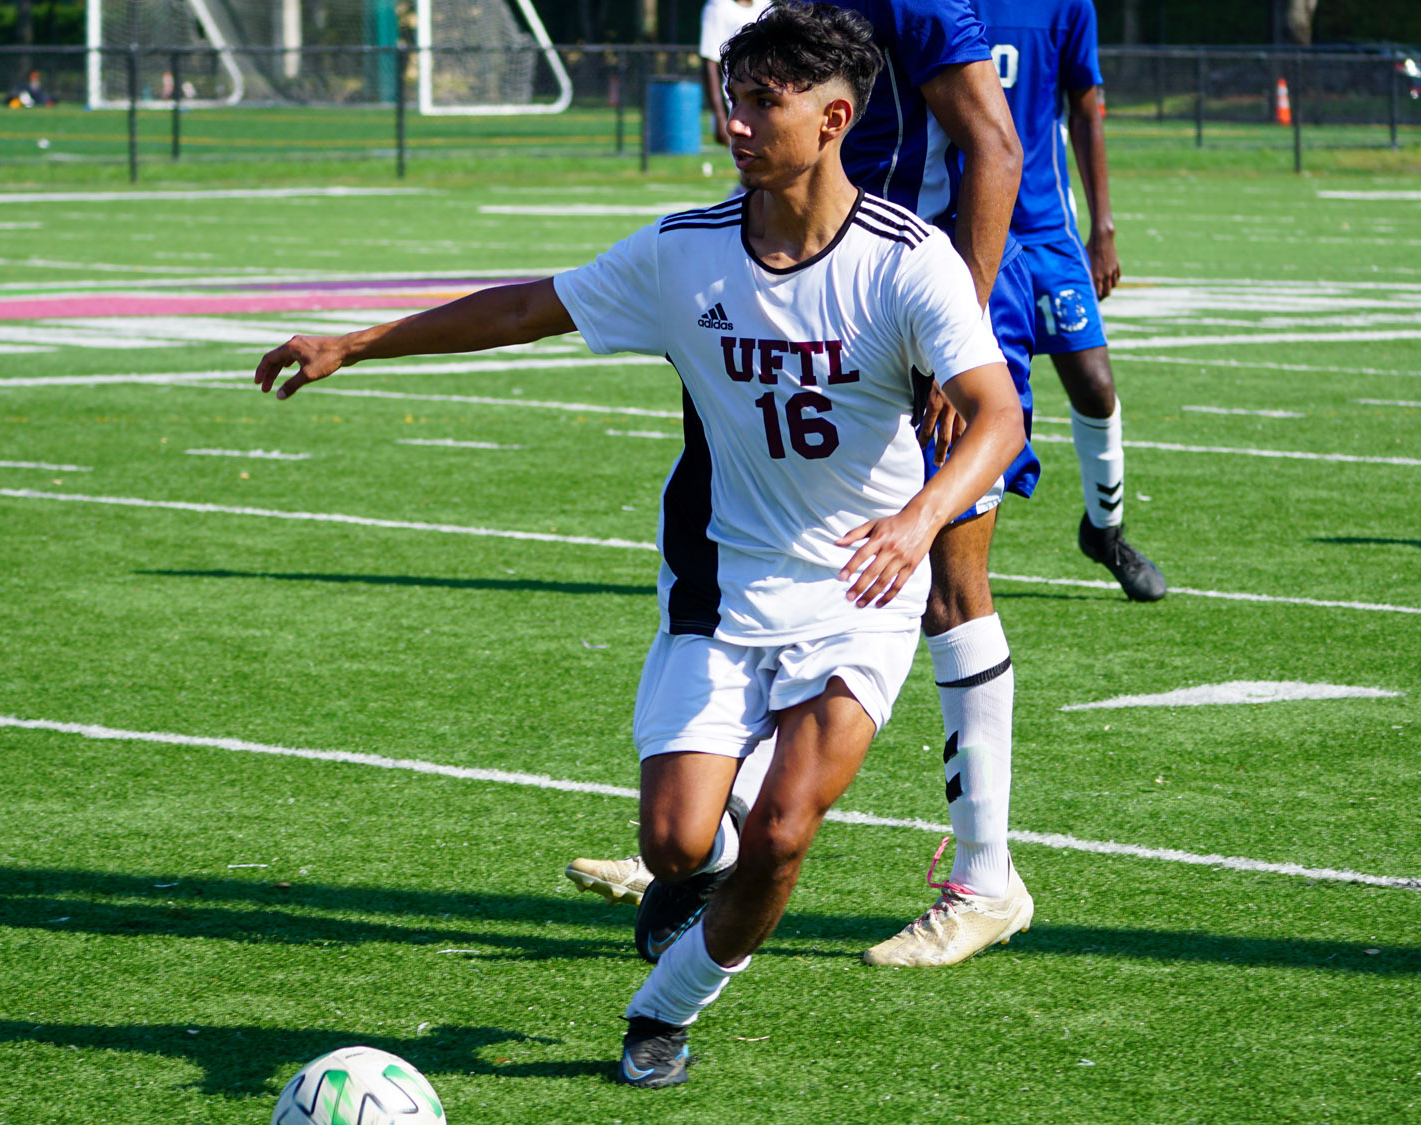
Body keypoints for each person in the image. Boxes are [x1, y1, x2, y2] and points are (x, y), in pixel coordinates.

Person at [256, 3, 1024, 1087]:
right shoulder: (684, 252)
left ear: (835, 117)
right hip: (720, 581)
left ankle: (662, 1012)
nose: (737, 123)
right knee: (675, 843)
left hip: (860, 588)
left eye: (763, 102)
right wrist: (355, 342)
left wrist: (916, 518)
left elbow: (998, 417)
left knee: (785, 834)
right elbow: (531, 307)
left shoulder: (908, 263)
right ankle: (693, 879)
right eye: (732, 98)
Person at [571, 0, 1042, 972]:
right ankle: (702, 832)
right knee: (747, 515)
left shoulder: (909, 9)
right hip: (785, 283)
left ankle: (984, 876)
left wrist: (963, 331)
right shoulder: (793, 24)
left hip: (911, 312)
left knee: (946, 585)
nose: (733, 119)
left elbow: (993, 147)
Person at [982, 0, 1163, 604]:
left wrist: (1103, 226)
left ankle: (1105, 532)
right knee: (954, 397)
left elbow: (1086, 110)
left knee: (1094, 384)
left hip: (1043, 230)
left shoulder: (1067, 5)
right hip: (964, 226)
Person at [698, 0, 772, 147]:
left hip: (767, 98)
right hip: (737, 102)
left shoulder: (766, 5)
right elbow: (710, 63)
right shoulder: (717, 7)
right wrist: (720, 117)